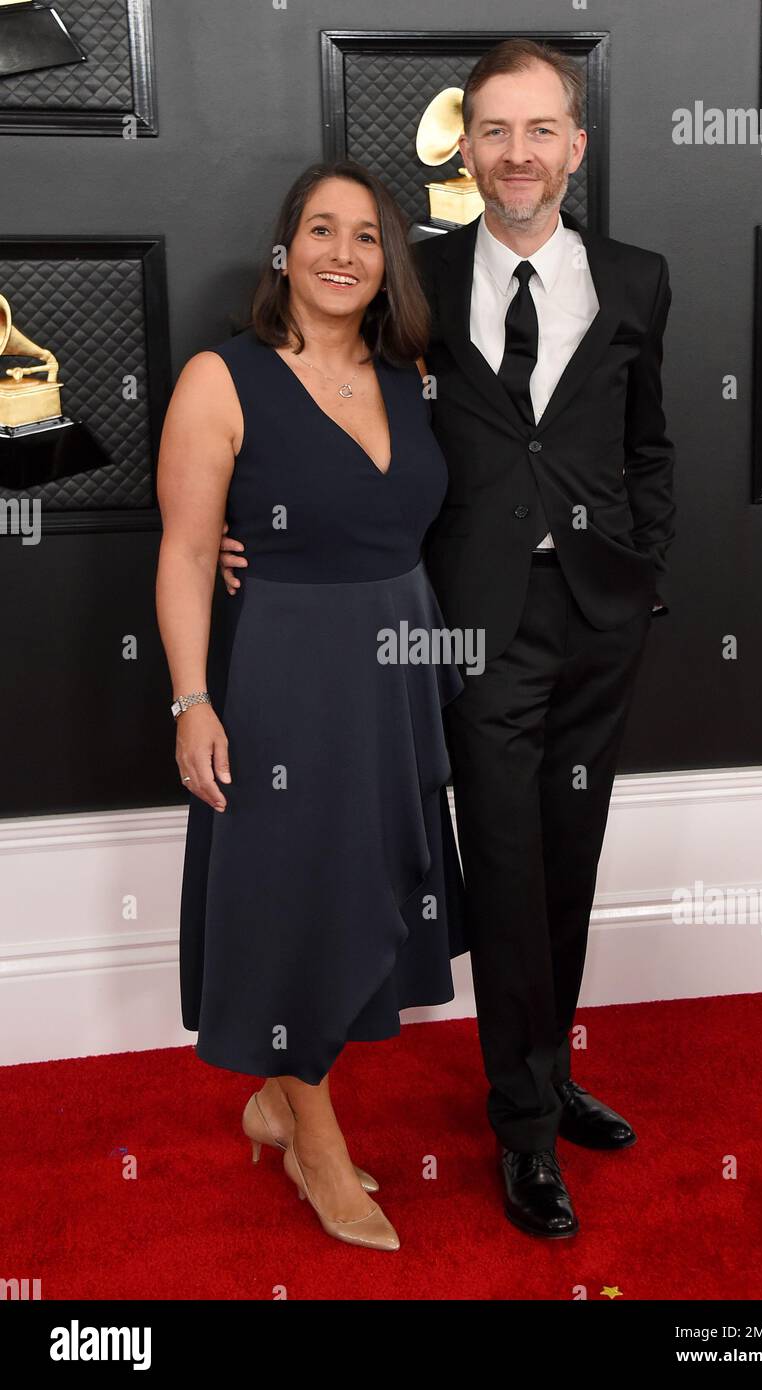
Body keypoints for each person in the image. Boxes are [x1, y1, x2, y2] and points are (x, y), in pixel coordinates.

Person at [220, 39, 675, 1240]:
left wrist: (643, 577)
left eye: (540, 131)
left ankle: (553, 1071)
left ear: (575, 146)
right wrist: (244, 529)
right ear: (465, 147)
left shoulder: (638, 279)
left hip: (600, 618)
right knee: (509, 872)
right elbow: (311, 396)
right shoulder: (407, 278)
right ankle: (523, 1125)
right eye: (494, 131)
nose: (516, 154)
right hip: (468, 632)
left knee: (567, 860)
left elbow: (649, 449)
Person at [156, 159, 467, 1253]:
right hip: (282, 676)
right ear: (285, 250)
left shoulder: (412, 374)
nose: (343, 252)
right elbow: (191, 550)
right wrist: (193, 699)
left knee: (365, 889)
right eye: (321, 231)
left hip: (397, 675)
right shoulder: (220, 379)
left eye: (368, 236)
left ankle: (277, 1100)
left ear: (391, 264)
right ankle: (316, 1142)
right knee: (297, 898)